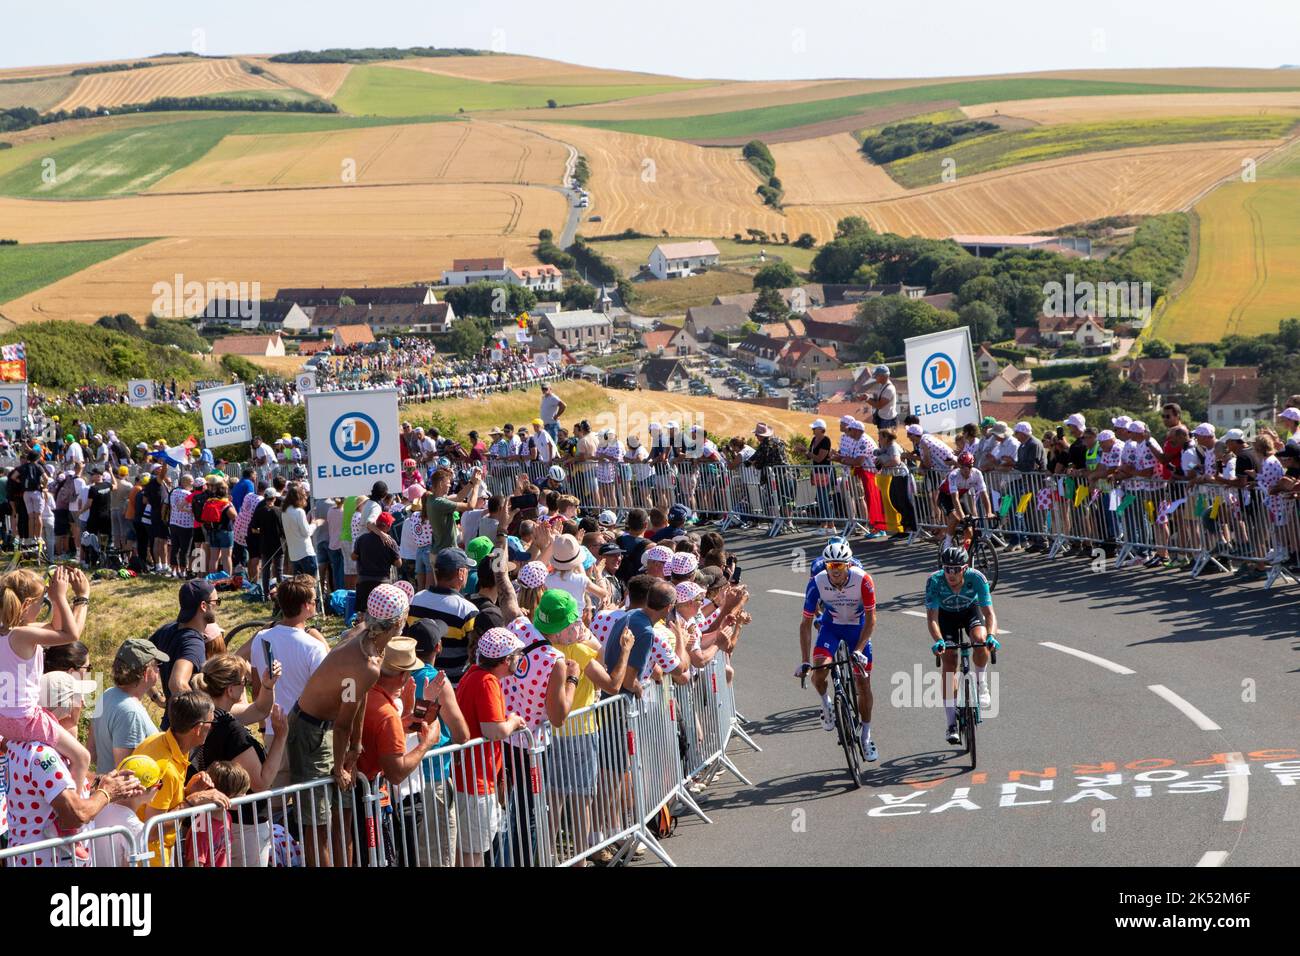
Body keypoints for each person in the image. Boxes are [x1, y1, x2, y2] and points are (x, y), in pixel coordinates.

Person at [288, 584, 411, 866]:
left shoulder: (367, 644)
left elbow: (357, 698)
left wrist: (355, 746)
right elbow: (344, 721)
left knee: (344, 820)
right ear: (396, 623)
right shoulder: (365, 662)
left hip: (325, 727)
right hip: (311, 730)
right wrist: (341, 764)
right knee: (317, 825)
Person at [0, 566, 93, 793]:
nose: (44, 607)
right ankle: (71, 821)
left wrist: (63, 597)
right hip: (26, 718)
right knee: (82, 757)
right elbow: (71, 635)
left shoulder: (11, 631)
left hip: (6, 718)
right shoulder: (23, 635)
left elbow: (57, 628)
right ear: (27, 605)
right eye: (43, 603)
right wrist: (61, 596)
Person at [191, 654, 288, 867]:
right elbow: (261, 783)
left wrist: (268, 686)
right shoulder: (231, 730)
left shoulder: (207, 715)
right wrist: (280, 737)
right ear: (230, 690)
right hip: (243, 825)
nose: (245, 687)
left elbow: (260, 709)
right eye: (244, 683)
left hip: (218, 817)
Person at [797, 539, 878, 761]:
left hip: (857, 629)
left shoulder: (864, 580)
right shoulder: (817, 582)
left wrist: (860, 649)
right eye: (831, 565)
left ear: (848, 565)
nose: (834, 571)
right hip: (831, 628)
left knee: (863, 682)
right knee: (819, 672)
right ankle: (827, 704)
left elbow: (872, 619)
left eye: (839, 566)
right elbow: (805, 623)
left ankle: (866, 735)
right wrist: (805, 661)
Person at [452, 626, 527, 866]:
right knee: (474, 853)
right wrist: (514, 721)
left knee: (466, 849)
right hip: (477, 780)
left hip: (471, 776)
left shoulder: (472, 673)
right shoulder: (487, 682)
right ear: (505, 660)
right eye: (516, 655)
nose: (519, 660)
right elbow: (493, 730)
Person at [132, 691, 232, 867]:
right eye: (212, 722)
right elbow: (153, 829)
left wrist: (188, 792)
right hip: (150, 858)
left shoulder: (160, 740)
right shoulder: (166, 768)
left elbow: (160, 803)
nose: (213, 727)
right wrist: (192, 800)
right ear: (199, 727)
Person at [925, 546, 1000, 745]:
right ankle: (951, 724)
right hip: (945, 617)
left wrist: (991, 636)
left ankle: (980, 684)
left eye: (955, 569)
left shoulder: (977, 578)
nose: (950, 573)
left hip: (970, 612)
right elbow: (932, 618)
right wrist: (938, 640)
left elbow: (990, 614)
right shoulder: (934, 580)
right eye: (947, 568)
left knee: (980, 640)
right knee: (949, 662)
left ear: (965, 568)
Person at [149, 579, 219, 729]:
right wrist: (205, 719)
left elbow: (139, 662)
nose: (218, 606)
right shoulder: (193, 643)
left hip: (169, 725)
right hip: (185, 734)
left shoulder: (167, 629)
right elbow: (177, 683)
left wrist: (157, 697)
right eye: (216, 602)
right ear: (203, 606)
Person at [92, 638, 167, 772]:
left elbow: (92, 753)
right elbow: (126, 772)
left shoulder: (107, 694)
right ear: (145, 673)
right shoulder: (130, 712)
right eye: (157, 664)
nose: (158, 669)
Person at [408, 548, 480, 685]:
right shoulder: (467, 611)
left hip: (416, 681)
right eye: (466, 569)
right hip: (452, 686)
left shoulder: (416, 600)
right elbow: (474, 655)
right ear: (460, 573)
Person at [353, 511, 401, 611]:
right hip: (382, 583)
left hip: (364, 581)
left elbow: (354, 557)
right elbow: (398, 563)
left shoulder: (361, 539)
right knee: (380, 613)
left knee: (363, 613)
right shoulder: (390, 542)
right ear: (388, 526)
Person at [282, 484, 325, 577]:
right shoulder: (299, 511)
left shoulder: (285, 512)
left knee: (299, 586)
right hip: (305, 552)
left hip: (294, 554)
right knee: (310, 584)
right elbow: (306, 532)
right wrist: (315, 524)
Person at [865, 365, 898, 429]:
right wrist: (868, 397)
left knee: (887, 438)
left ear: (883, 376)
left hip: (888, 421)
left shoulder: (889, 389)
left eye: (877, 375)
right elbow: (878, 401)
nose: (875, 377)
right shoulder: (883, 386)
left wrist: (867, 399)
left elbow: (879, 405)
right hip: (884, 419)